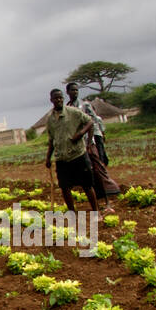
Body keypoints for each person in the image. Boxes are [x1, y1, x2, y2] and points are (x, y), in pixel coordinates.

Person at [43, 88, 99, 257]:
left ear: (63, 98)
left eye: (61, 97)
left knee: (87, 185)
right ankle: (72, 214)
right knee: (65, 188)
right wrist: (48, 158)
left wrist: (82, 134)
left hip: (78, 155)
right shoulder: (50, 120)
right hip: (61, 158)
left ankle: (96, 212)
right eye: (56, 98)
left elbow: (90, 121)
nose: (59, 100)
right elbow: (51, 141)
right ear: (51, 100)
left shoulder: (74, 112)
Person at [66, 82, 117, 211]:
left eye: (76, 90)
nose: (75, 92)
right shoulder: (67, 108)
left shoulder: (85, 105)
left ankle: (108, 201)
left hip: (89, 143)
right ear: (68, 92)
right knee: (87, 174)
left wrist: (90, 143)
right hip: (78, 147)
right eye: (72, 90)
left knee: (98, 170)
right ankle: (97, 203)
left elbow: (93, 122)